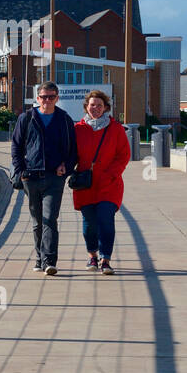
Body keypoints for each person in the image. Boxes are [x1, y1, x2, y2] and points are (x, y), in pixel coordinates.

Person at [10, 81, 78, 275]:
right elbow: (16, 146)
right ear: (37, 99)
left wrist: (66, 167)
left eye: (51, 97)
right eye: (44, 97)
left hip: (54, 178)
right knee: (37, 221)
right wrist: (20, 170)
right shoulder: (26, 118)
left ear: (57, 98)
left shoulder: (64, 120)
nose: (47, 100)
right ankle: (39, 258)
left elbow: (73, 150)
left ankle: (49, 261)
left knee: (50, 218)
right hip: (30, 178)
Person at [71, 90, 130, 275]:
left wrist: (111, 173)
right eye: (92, 105)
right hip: (86, 184)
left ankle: (105, 259)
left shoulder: (116, 128)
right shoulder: (78, 129)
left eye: (99, 105)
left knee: (106, 219)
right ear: (86, 107)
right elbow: (70, 154)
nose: (95, 108)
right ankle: (92, 255)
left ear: (105, 108)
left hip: (109, 185)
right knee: (89, 224)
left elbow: (124, 154)